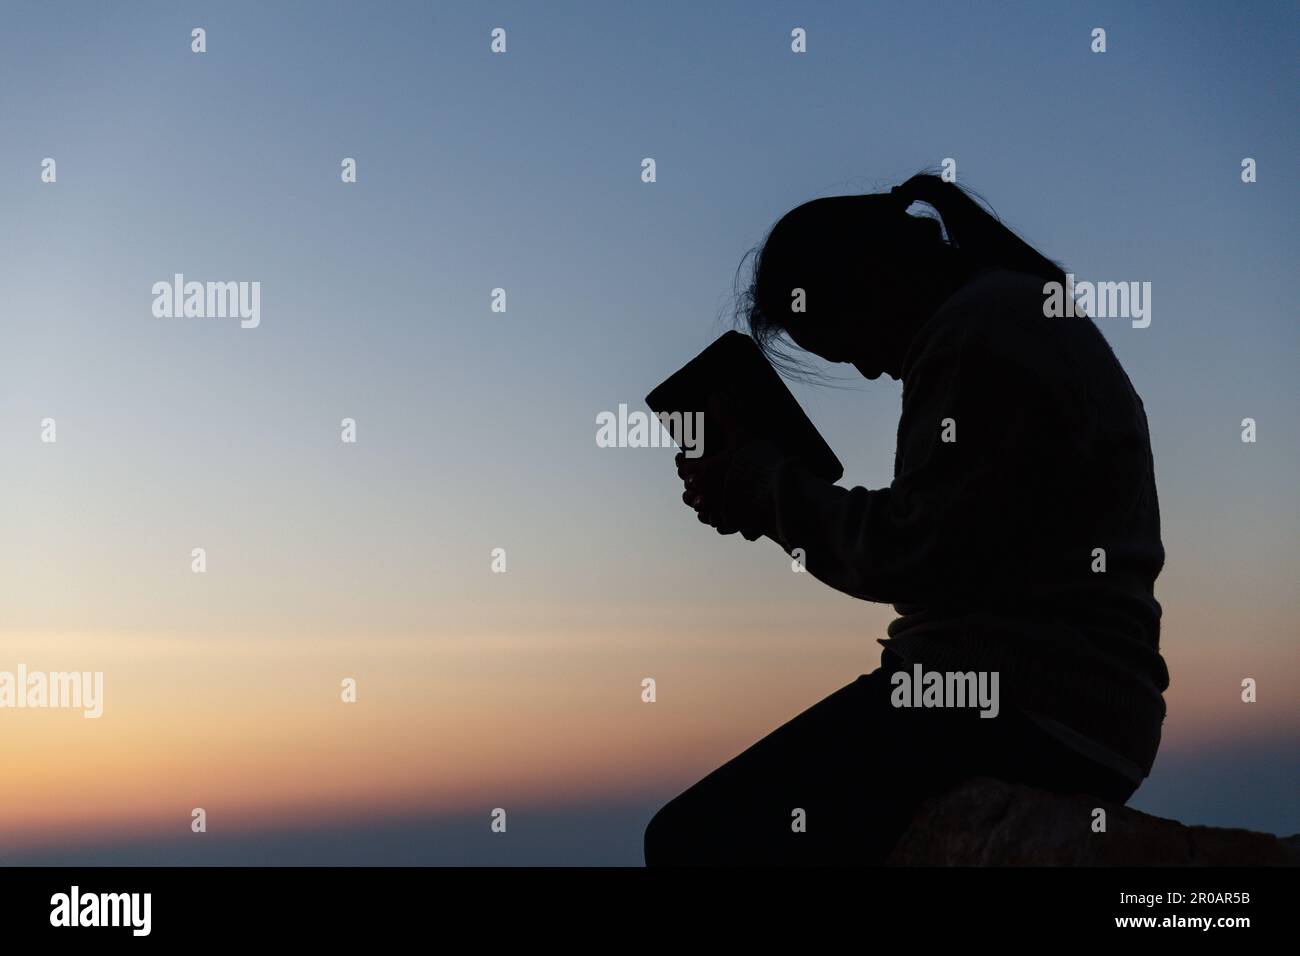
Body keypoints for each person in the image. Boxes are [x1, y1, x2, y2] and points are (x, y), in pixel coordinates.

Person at [643, 173, 1170, 866]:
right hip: (1074, 702)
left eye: (842, 339)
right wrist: (768, 494)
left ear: (869, 275)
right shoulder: (1009, 311)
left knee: (690, 842)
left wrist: (765, 487)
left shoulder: (977, 328)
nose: (865, 370)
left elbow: (911, 549)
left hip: (1023, 699)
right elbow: (951, 536)